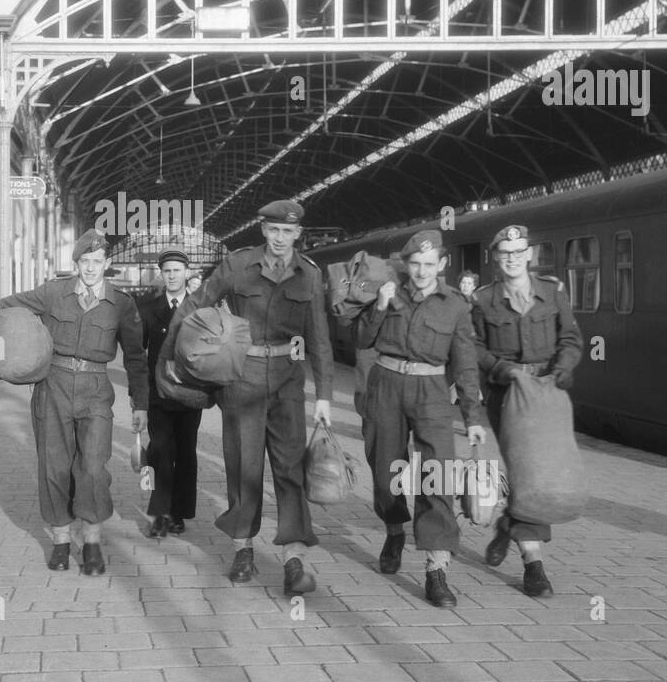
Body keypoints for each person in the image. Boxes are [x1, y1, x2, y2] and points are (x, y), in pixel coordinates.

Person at [163, 200, 332, 596]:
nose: (280, 238)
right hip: (242, 379)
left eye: (288, 232)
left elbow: (320, 337)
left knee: (290, 468)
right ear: (263, 229)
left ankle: (294, 558)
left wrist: (324, 393)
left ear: (297, 235)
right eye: (274, 230)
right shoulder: (237, 265)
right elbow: (194, 303)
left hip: (288, 383)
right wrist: (171, 352)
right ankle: (243, 549)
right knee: (243, 466)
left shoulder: (308, 275)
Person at [340, 230, 487, 608]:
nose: (421, 271)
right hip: (385, 384)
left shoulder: (455, 305)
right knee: (386, 470)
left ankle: (436, 568)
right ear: (406, 265)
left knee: (437, 475)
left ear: (441, 265)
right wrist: (378, 308)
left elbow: (466, 365)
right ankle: (393, 529)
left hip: (432, 390)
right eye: (415, 264)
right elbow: (361, 340)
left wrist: (472, 416)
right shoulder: (386, 291)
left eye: (429, 264)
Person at [0, 230, 149, 575]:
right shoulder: (54, 293)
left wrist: (140, 403)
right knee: (54, 466)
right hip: (54, 385)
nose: (91, 268)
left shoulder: (122, 303)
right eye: (85, 262)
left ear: (106, 264)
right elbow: (4, 307)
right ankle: (62, 540)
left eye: (97, 262)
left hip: (96, 388)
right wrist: (14, 349)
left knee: (94, 466)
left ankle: (92, 539)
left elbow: (136, 358)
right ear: (76, 263)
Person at [471, 224, 583, 599]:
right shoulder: (483, 301)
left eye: (519, 253)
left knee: (546, 474)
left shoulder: (552, 292)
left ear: (529, 256)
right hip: (508, 397)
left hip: (549, 394)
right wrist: (505, 371)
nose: (513, 260)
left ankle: (508, 525)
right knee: (525, 475)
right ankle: (534, 565)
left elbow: (570, 339)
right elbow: (474, 349)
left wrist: (561, 371)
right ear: (496, 258)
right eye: (506, 254)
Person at [136, 248, 202, 538]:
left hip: (190, 394)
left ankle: (179, 513)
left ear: (187, 273)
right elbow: (138, 354)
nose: (172, 275)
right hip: (158, 394)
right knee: (159, 451)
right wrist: (138, 396)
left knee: (186, 452)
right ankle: (160, 512)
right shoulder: (148, 308)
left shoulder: (200, 308)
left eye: (177, 270)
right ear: (161, 274)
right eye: (167, 271)